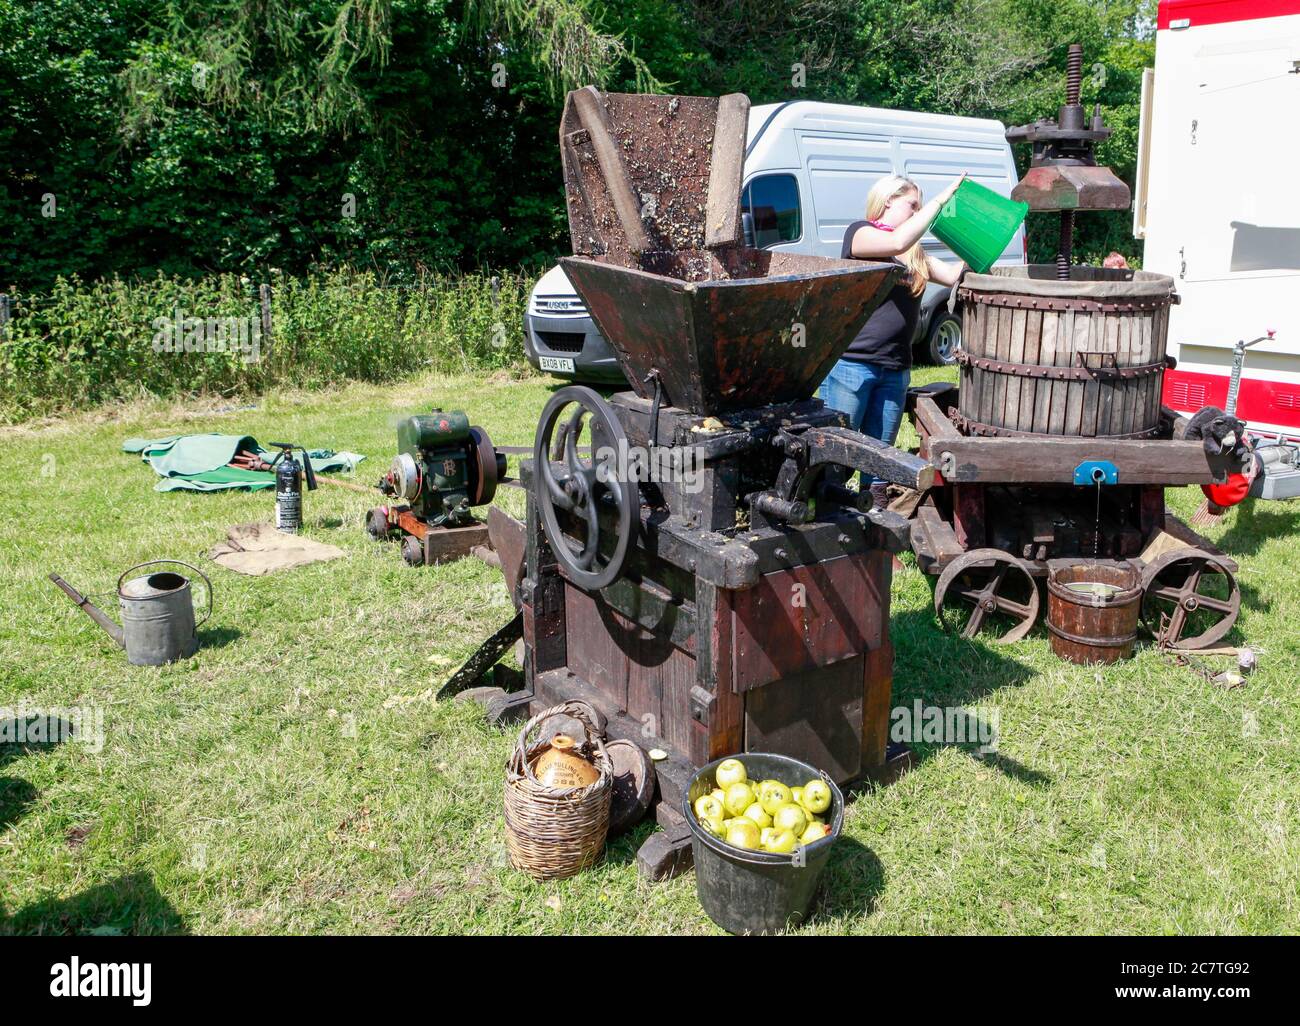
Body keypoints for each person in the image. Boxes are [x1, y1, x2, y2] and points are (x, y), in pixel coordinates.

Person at [821, 173, 967, 505]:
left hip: (895, 369)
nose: (918, 211)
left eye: (920, 205)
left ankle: (875, 532)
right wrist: (941, 200)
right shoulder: (860, 234)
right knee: (836, 455)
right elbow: (896, 242)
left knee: (880, 462)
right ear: (888, 200)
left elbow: (959, 277)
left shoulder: (916, 256)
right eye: (912, 204)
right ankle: (826, 526)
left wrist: (973, 239)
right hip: (852, 365)